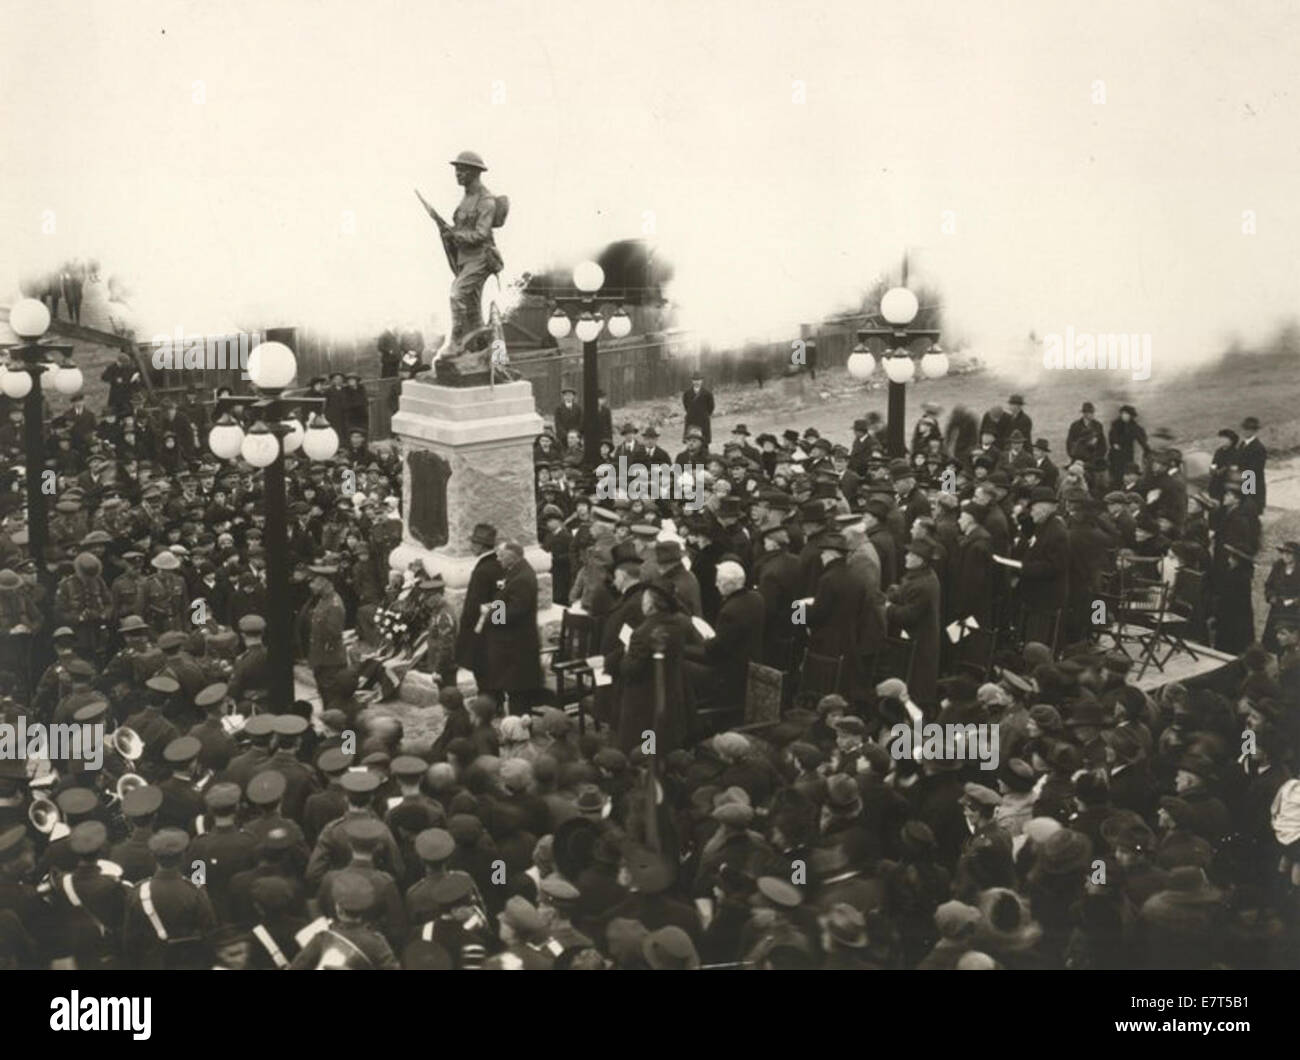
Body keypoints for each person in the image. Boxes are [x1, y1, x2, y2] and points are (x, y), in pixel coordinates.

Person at [477, 541, 544, 714]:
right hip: (514, 645)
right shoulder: (516, 572)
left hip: (518, 647)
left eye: (501, 555)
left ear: (511, 557)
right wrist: (495, 606)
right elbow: (506, 600)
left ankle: (520, 730)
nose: (498, 559)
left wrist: (491, 614)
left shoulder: (522, 579)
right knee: (515, 691)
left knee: (518, 693)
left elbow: (514, 612)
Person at [681, 372, 715, 445]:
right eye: (695, 380)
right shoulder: (687, 393)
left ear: (702, 381)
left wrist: (704, 414)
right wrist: (692, 413)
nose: (697, 382)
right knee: (691, 442)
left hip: (703, 421)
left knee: (704, 442)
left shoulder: (707, 393)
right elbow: (686, 406)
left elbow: (711, 407)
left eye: (699, 380)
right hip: (691, 420)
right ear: (692, 381)